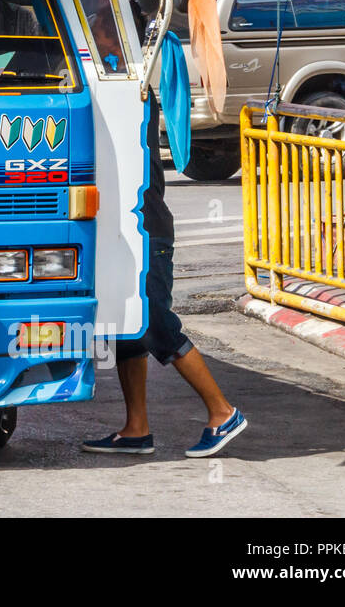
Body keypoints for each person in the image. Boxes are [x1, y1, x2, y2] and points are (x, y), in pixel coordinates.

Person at [81, 90, 248, 458]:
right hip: (122, 230)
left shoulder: (131, 91)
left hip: (145, 229)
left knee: (156, 325)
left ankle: (223, 412)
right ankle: (136, 429)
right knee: (126, 329)